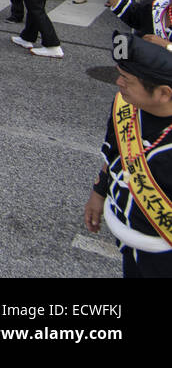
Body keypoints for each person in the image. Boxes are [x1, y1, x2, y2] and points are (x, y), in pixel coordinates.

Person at [82, 28, 172, 277]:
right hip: (128, 239)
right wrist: (99, 192)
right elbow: (114, 152)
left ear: (164, 93)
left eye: (127, 80)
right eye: (120, 75)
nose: (118, 83)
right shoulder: (126, 105)